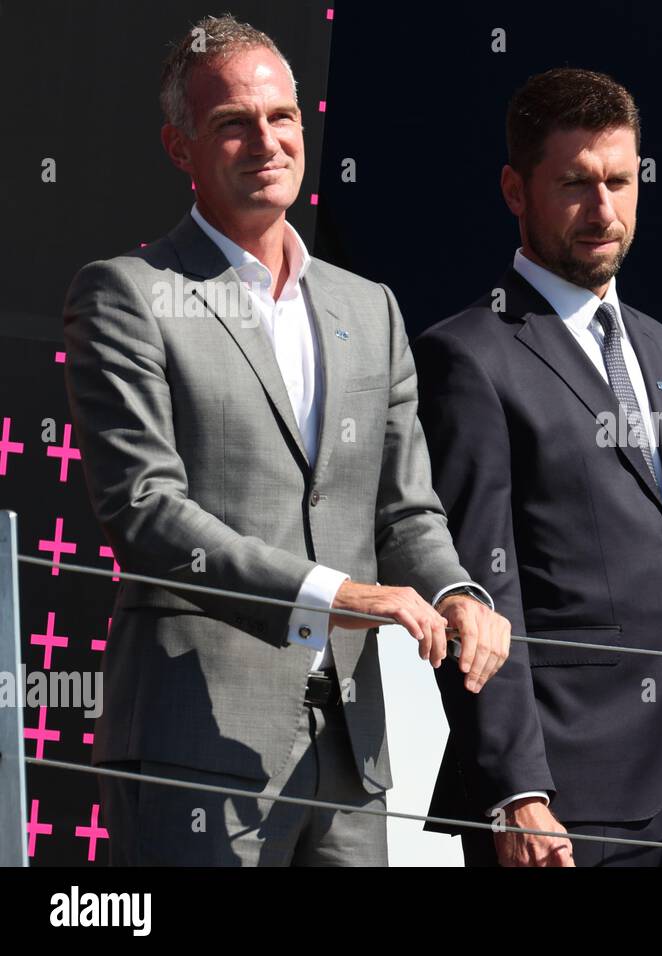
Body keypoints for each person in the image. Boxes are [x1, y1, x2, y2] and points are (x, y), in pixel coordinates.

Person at [62, 15, 511, 865]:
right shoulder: (128, 294)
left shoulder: (367, 307)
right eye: (233, 123)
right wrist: (339, 595)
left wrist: (456, 593)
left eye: (282, 118)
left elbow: (405, 510)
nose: (265, 142)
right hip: (194, 742)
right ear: (179, 147)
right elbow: (147, 513)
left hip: (352, 753)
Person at [412, 68, 662, 867]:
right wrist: (516, 791)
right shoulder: (467, 358)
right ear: (514, 189)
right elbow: (485, 597)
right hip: (567, 802)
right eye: (575, 184)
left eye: (620, 181)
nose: (603, 209)